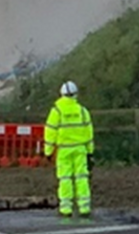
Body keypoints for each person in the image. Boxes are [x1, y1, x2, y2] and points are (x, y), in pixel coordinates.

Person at [43, 80, 94, 218]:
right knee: (82, 178)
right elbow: (89, 133)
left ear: (61, 94)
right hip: (80, 150)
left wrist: (48, 152)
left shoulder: (56, 111)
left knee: (65, 178)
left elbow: (50, 132)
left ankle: (66, 209)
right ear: (76, 95)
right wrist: (90, 152)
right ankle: (84, 208)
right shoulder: (83, 111)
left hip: (63, 151)